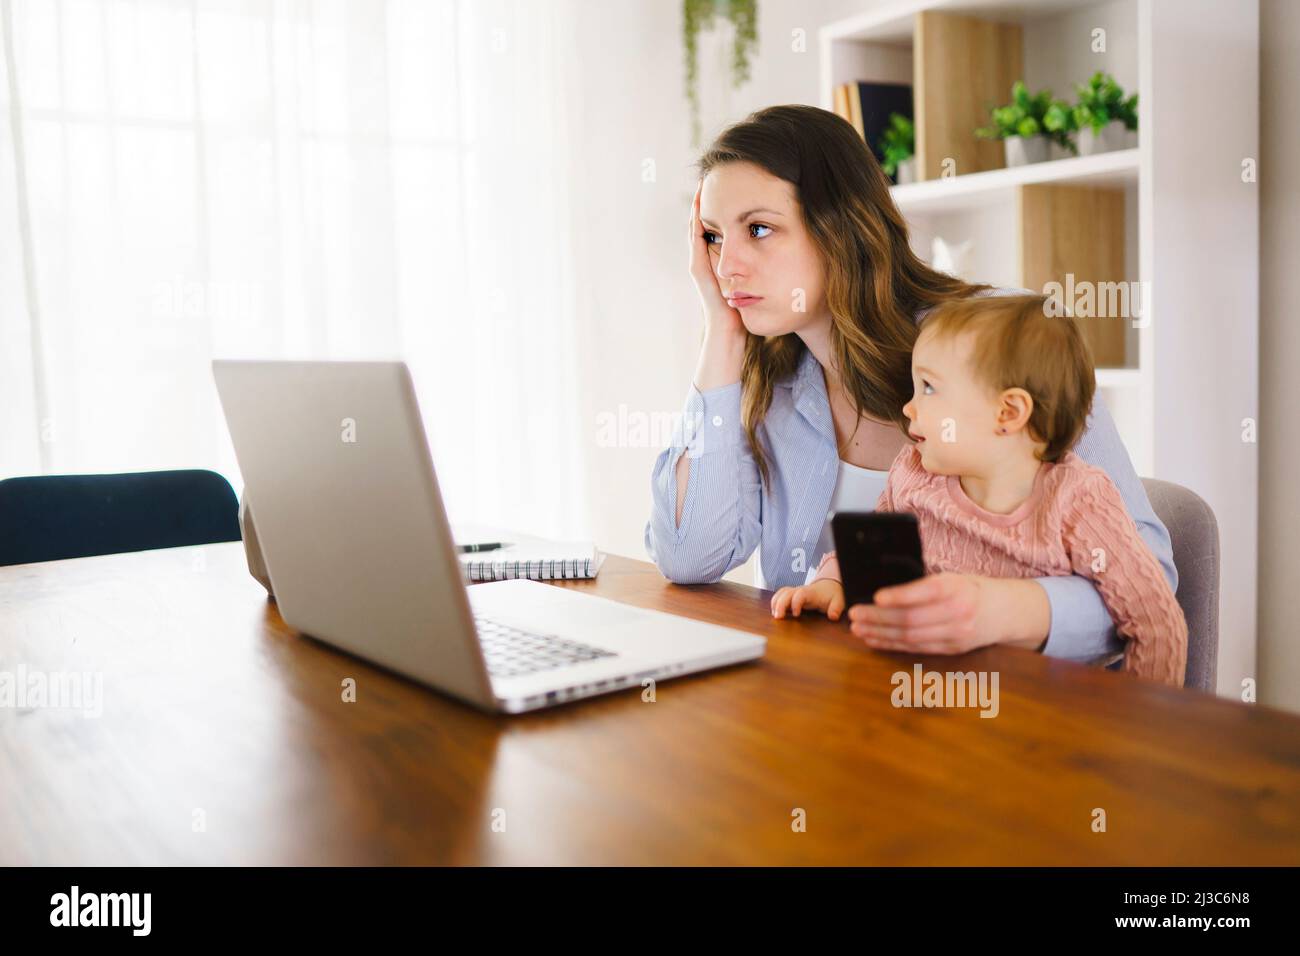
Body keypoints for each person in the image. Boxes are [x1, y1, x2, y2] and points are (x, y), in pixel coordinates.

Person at [644, 104, 1177, 666]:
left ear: (840, 227)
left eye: (758, 229)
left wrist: (999, 610)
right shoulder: (769, 376)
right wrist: (721, 333)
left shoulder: (997, 342)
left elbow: (1151, 580)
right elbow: (688, 556)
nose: (726, 266)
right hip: (834, 704)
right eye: (712, 238)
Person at [770, 293, 1187, 686]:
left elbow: (1155, 622)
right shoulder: (914, 475)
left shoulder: (1077, 500)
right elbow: (871, 555)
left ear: (1008, 412)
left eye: (929, 388)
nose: (908, 407)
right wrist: (832, 583)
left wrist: (1141, 725)